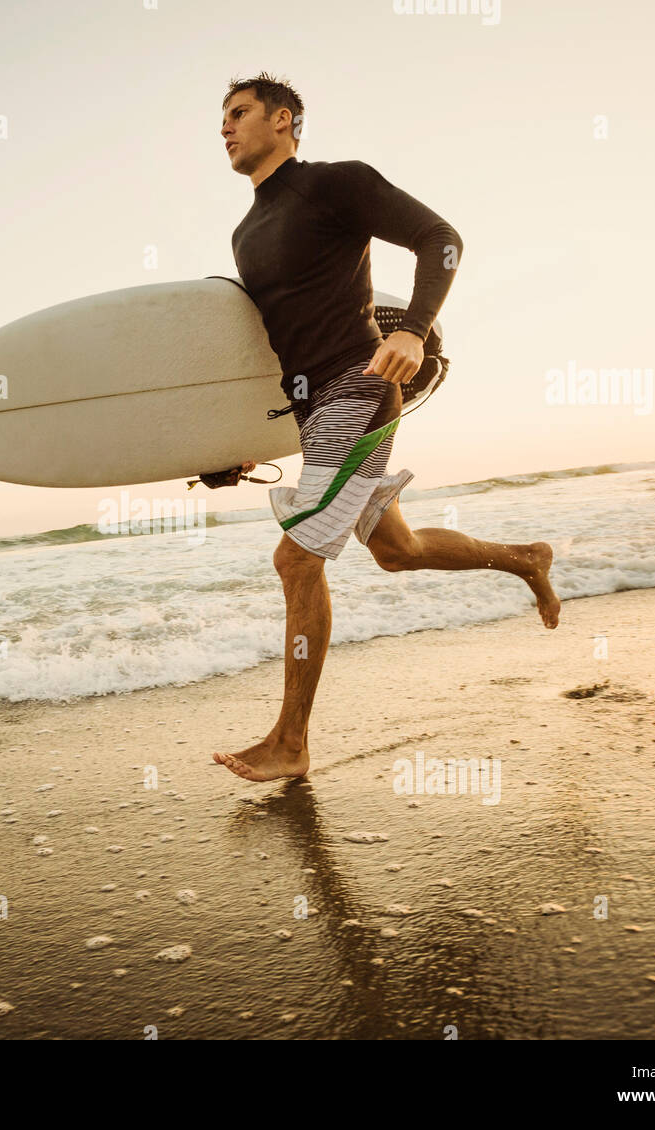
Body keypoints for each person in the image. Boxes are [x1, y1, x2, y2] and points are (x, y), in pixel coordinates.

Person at [214, 72, 560, 783]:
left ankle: (290, 742)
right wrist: (231, 445)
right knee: (397, 551)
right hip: (314, 411)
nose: (225, 128)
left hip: (361, 386)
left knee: (295, 558)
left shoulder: (334, 184)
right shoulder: (245, 233)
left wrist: (414, 332)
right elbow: (273, 346)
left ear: (283, 120)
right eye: (221, 119)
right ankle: (526, 558)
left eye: (239, 113)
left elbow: (441, 238)